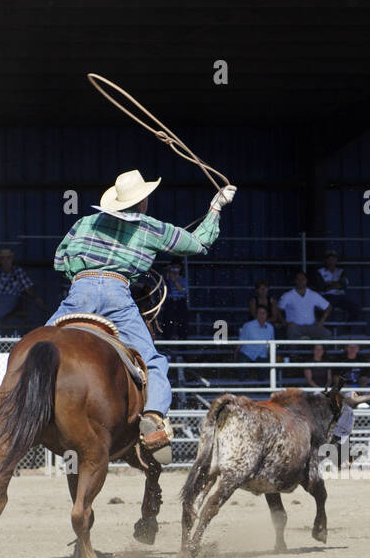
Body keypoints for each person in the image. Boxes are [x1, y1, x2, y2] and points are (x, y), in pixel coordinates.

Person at [46, 168, 236, 462]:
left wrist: (82, 276)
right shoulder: (152, 229)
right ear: (143, 201)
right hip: (116, 294)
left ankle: (4, 417)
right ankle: (153, 420)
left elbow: (60, 260)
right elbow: (199, 244)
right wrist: (216, 207)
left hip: (78, 292)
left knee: (36, 351)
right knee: (152, 362)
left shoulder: (86, 222)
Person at [0, 248, 43, 328]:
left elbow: (28, 287)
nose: (6, 261)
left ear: (12, 259)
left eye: (8, 258)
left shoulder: (18, 271)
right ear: (0, 260)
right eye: (3, 259)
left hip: (11, 298)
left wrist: (36, 298)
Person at [277, 271, 331, 339]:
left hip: (311, 326)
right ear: (295, 281)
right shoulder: (287, 295)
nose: (300, 281)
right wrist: (284, 323)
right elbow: (278, 310)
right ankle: (293, 350)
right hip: (295, 327)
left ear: (306, 281)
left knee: (326, 334)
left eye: (303, 279)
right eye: (298, 279)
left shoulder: (313, 294)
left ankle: (320, 350)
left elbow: (328, 307)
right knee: (291, 330)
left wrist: (321, 321)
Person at [317, 250, 361, 320]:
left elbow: (344, 285)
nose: (331, 261)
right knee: (327, 311)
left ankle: (348, 328)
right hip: (327, 297)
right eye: (329, 259)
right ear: (325, 260)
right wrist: (337, 284)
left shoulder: (341, 271)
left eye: (333, 259)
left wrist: (330, 284)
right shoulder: (320, 271)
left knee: (356, 308)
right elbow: (322, 287)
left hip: (340, 297)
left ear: (336, 260)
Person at [236, 303, 274, 378]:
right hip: (247, 354)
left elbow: (271, 345)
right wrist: (236, 354)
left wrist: (272, 357)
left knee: (264, 372)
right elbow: (241, 341)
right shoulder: (248, 326)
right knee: (242, 371)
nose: (261, 315)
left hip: (262, 355)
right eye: (259, 313)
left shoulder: (270, 327)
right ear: (256, 315)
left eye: (263, 313)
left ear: (267, 315)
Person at [161, 261, 189, 339]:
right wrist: (168, 275)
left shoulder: (183, 279)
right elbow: (163, 289)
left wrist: (175, 280)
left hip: (180, 301)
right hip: (170, 301)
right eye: (174, 268)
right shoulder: (167, 279)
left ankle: (182, 342)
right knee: (167, 322)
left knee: (182, 322)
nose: (175, 270)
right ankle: (166, 342)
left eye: (177, 268)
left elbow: (182, 291)